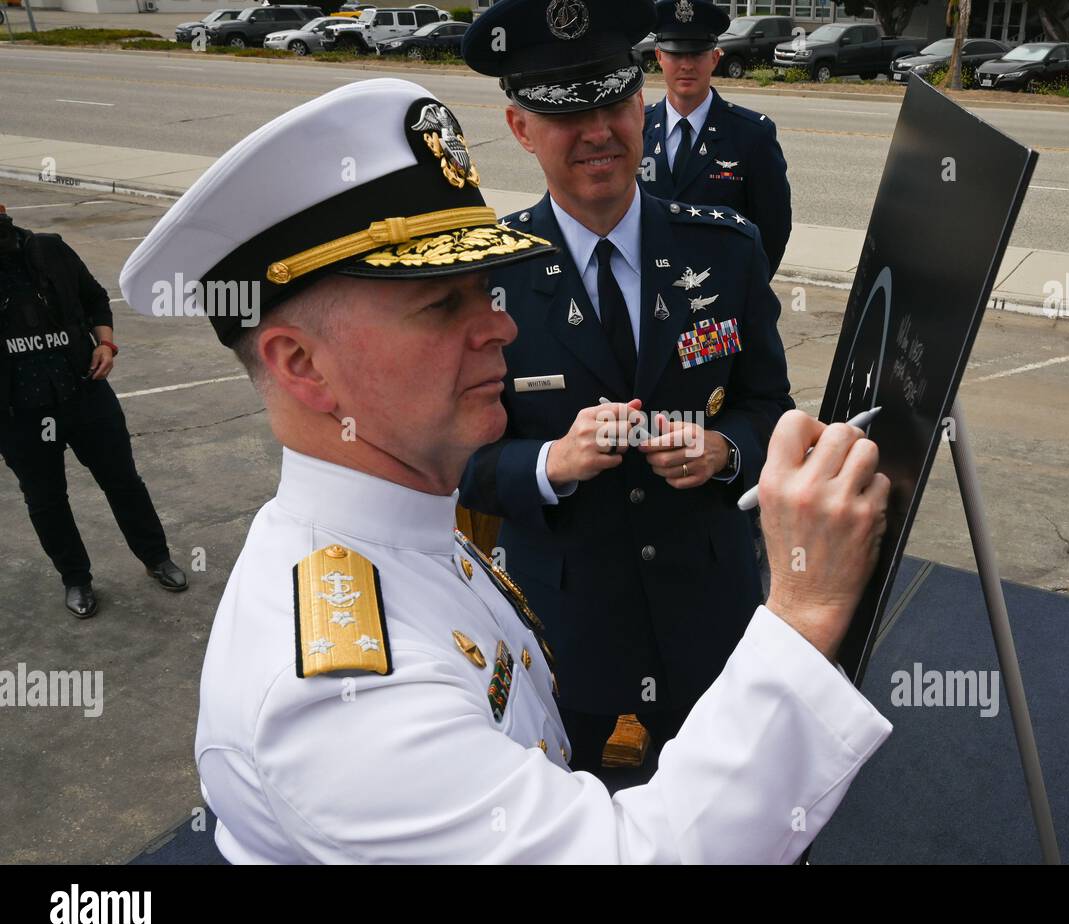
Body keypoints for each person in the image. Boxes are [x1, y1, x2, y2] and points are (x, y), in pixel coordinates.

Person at [118, 77, 894, 863]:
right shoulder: (334, 699)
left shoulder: (403, 527)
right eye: (443, 307)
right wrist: (806, 609)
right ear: (304, 366)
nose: (503, 325)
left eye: (484, 292)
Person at [459, 0, 793, 775]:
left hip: (705, 603)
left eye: (612, 103)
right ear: (520, 129)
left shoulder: (725, 249)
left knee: (732, 806)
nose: (597, 132)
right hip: (564, 616)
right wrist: (551, 464)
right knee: (555, 815)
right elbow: (459, 464)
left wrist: (726, 451)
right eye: (564, 115)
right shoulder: (488, 279)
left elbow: (768, 406)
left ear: (639, 104)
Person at [0, 205, 187, 619]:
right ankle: (76, 579)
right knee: (46, 500)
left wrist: (106, 345)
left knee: (123, 481)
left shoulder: (49, 251)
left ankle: (156, 557)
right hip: (20, 414)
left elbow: (95, 298)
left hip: (84, 393)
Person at [640, 0, 793, 277]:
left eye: (697, 54)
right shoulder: (636, 129)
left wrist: (746, 290)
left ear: (715, 58)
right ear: (659, 57)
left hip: (722, 295)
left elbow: (774, 227)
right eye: (676, 54)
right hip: (650, 294)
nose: (686, 65)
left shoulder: (752, 135)